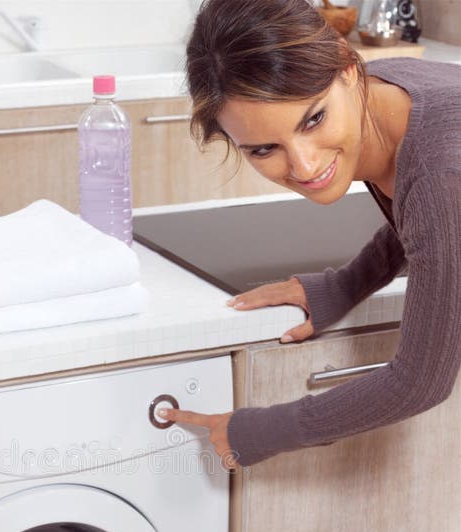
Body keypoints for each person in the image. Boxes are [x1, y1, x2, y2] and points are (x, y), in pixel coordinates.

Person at [158, 0, 460, 471]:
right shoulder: (390, 92)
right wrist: (345, 285)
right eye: (264, 148)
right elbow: (431, 221)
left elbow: (420, 383)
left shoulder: (441, 171)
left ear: (347, 67)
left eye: (313, 119)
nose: (304, 165)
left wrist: (256, 431)